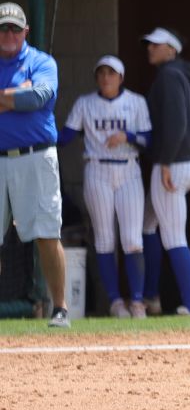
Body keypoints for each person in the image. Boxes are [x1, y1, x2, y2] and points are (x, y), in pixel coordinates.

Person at [59, 55, 152, 318]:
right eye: (101, 73)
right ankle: (115, 302)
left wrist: (128, 136)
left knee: (132, 239)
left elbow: (149, 139)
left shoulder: (136, 102)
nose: (105, 77)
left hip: (128, 168)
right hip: (97, 168)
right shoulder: (85, 103)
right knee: (104, 238)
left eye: (111, 73)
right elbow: (65, 136)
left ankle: (137, 301)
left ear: (120, 77)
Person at [0, 0, 71, 329]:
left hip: (36, 156)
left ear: (25, 31)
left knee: (46, 232)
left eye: (15, 29)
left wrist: (11, 98)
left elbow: (38, 97)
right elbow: (25, 98)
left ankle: (60, 308)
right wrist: (17, 95)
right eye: (3, 29)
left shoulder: (41, 62)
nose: (9, 34)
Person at [140, 26, 190, 316]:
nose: (150, 48)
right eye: (150, 44)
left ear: (171, 49)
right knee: (147, 223)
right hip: (186, 161)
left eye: (156, 44)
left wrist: (165, 161)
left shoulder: (169, 74)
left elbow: (177, 124)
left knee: (174, 236)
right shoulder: (181, 74)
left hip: (173, 164)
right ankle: (151, 296)